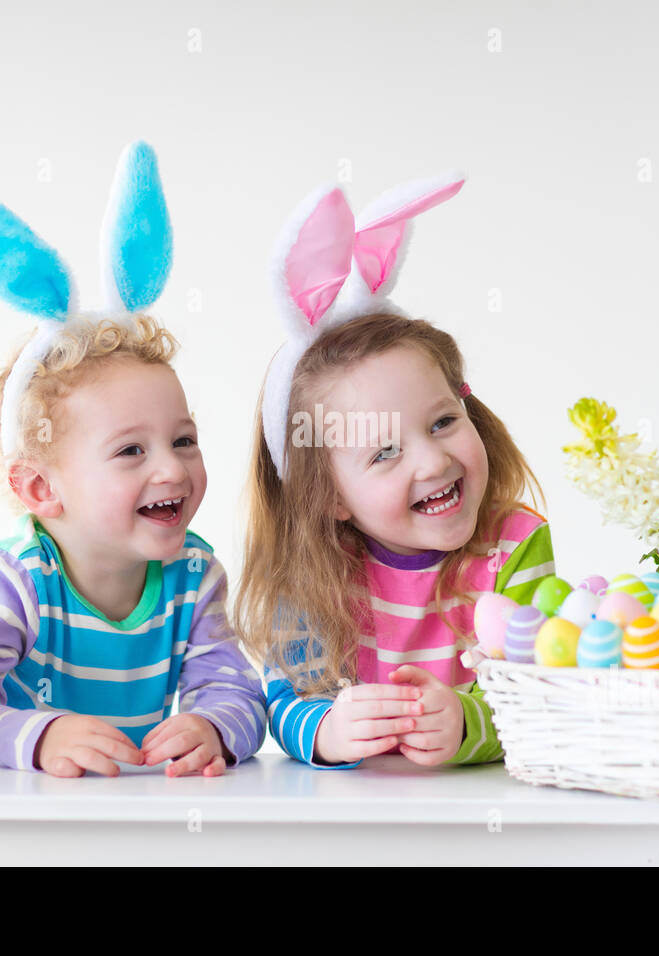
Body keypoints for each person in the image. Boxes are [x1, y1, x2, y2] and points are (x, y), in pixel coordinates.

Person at [0, 142, 264, 778]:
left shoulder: (194, 576)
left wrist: (210, 726)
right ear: (43, 488)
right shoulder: (8, 585)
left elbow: (238, 692)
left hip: (136, 819)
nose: (173, 468)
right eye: (131, 450)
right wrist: (39, 738)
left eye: (183, 439)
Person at [235, 173, 553, 769]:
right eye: (383, 453)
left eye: (441, 423)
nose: (434, 461)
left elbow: (541, 691)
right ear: (329, 494)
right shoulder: (311, 571)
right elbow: (286, 698)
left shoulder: (514, 545)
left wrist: (466, 723)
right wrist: (327, 729)